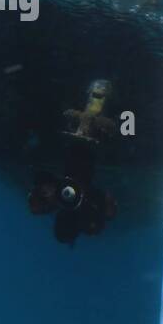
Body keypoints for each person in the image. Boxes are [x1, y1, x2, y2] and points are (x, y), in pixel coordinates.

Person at [28, 79, 118, 246]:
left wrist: (47, 191)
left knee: (82, 122)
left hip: (81, 152)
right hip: (85, 153)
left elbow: (39, 181)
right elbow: (107, 203)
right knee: (94, 125)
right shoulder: (87, 206)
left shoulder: (55, 198)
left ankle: (97, 101)